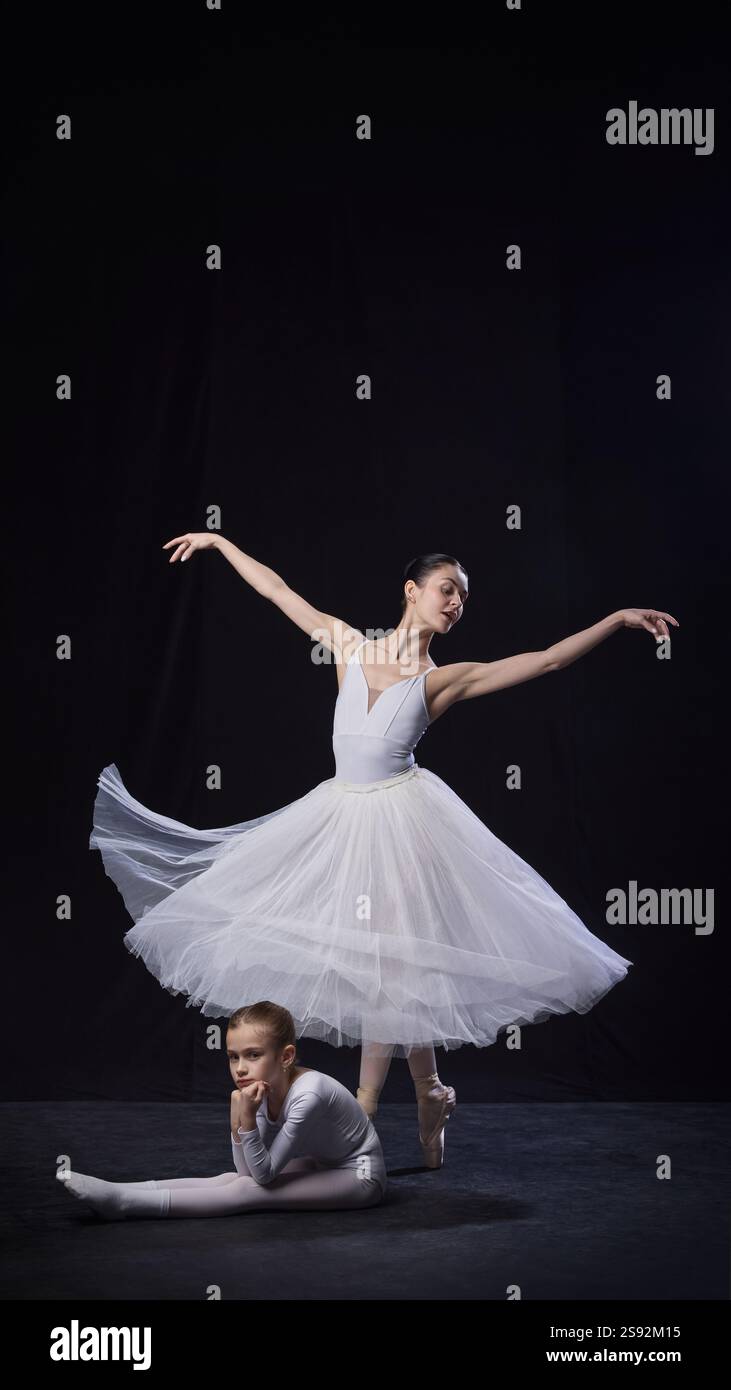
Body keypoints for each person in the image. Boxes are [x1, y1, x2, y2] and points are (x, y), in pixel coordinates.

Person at [89, 533, 679, 1167]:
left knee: (390, 966)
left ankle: (371, 1107)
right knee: (388, 967)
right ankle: (428, 1092)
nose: (456, 604)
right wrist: (218, 541)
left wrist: (617, 619)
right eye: (447, 590)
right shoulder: (349, 646)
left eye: (463, 598)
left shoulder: (441, 680)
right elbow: (278, 591)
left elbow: (547, 661)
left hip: (401, 826)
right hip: (340, 819)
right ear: (411, 591)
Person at [57, 1003, 386, 1219]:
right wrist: (238, 1121)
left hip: (360, 1175)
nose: (240, 1068)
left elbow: (262, 1177)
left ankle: (124, 1204)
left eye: (253, 1055)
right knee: (229, 1179)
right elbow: (244, 1170)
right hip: (324, 1164)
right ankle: (120, 1189)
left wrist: (246, 1120)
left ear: (286, 1057)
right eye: (233, 1056)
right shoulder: (262, 1087)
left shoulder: (309, 1094)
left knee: (250, 1192)